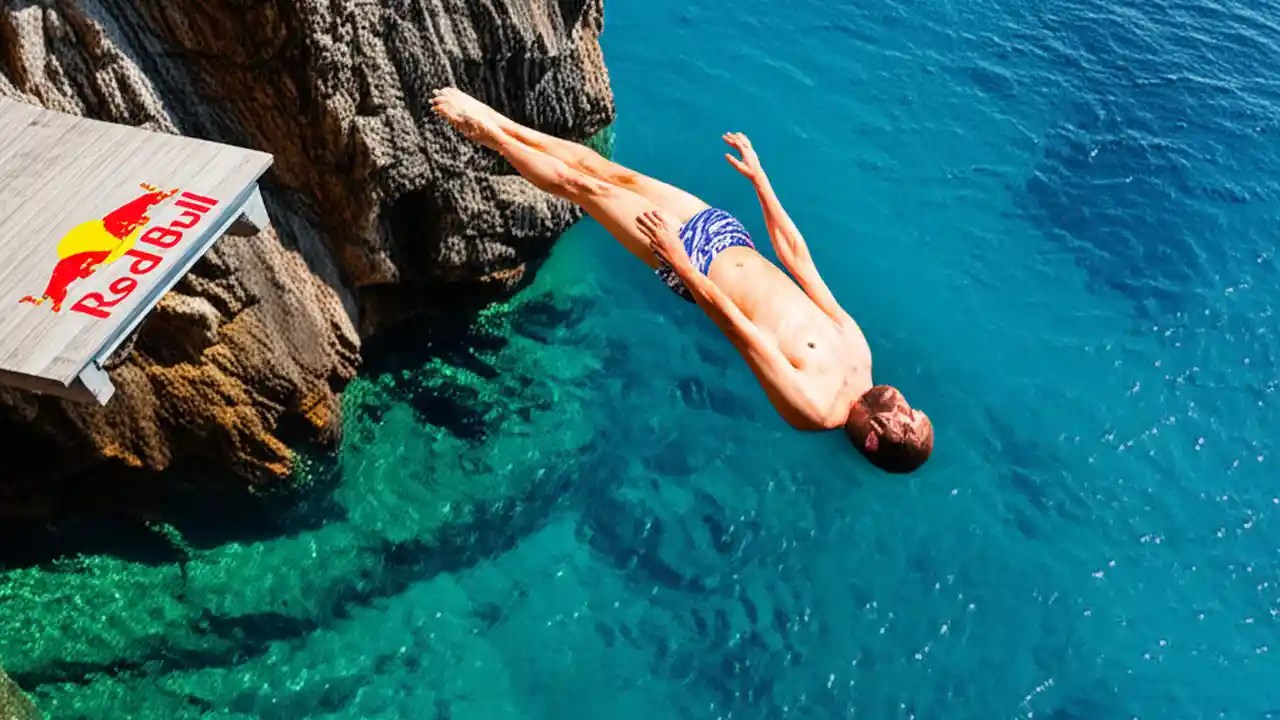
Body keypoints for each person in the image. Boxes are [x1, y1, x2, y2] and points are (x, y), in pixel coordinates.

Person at [431, 88, 933, 473]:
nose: (902, 402)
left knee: (581, 188)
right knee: (606, 171)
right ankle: (496, 118)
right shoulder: (859, 354)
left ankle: (485, 132)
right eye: (913, 408)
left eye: (903, 417)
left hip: (692, 264)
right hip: (727, 235)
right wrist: (762, 183)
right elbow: (801, 264)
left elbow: (739, 328)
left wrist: (680, 261)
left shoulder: (813, 408)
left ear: (874, 439)